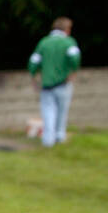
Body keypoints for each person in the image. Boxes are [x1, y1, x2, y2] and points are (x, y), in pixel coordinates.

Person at [28, 16, 82, 147]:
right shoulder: (68, 42)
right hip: (63, 84)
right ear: (67, 29)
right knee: (62, 111)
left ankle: (48, 140)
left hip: (46, 85)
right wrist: (73, 72)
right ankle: (59, 136)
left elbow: (33, 62)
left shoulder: (44, 43)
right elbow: (75, 58)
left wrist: (34, 77)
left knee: (48, 112)